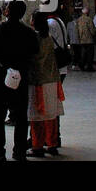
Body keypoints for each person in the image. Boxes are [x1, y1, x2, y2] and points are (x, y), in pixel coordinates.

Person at [0, 0, 38, 161]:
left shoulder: (0, 28)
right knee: (21, 116)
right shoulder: (28, 31)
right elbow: (34, 50)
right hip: (21, 76)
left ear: (8, 12)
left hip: (1, 76)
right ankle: (19, 151)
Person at [28, 14, 66, 156]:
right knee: (51, 115)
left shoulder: (34, 38)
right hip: (52, 79)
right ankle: (52, 144)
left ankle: (37, 146)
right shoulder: (49, 38)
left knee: (37, 116)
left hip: (38, 80)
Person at [70, 4, 95, 71]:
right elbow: (92, 30)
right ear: (87, 12)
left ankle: (82, 65)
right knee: (90, 54)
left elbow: (76, 30)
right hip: (89, 40)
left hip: (81, 40)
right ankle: (89, 66)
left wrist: (79, 37)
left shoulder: (78, 20)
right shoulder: (89, 19)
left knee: (83, 53)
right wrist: (94, 35)